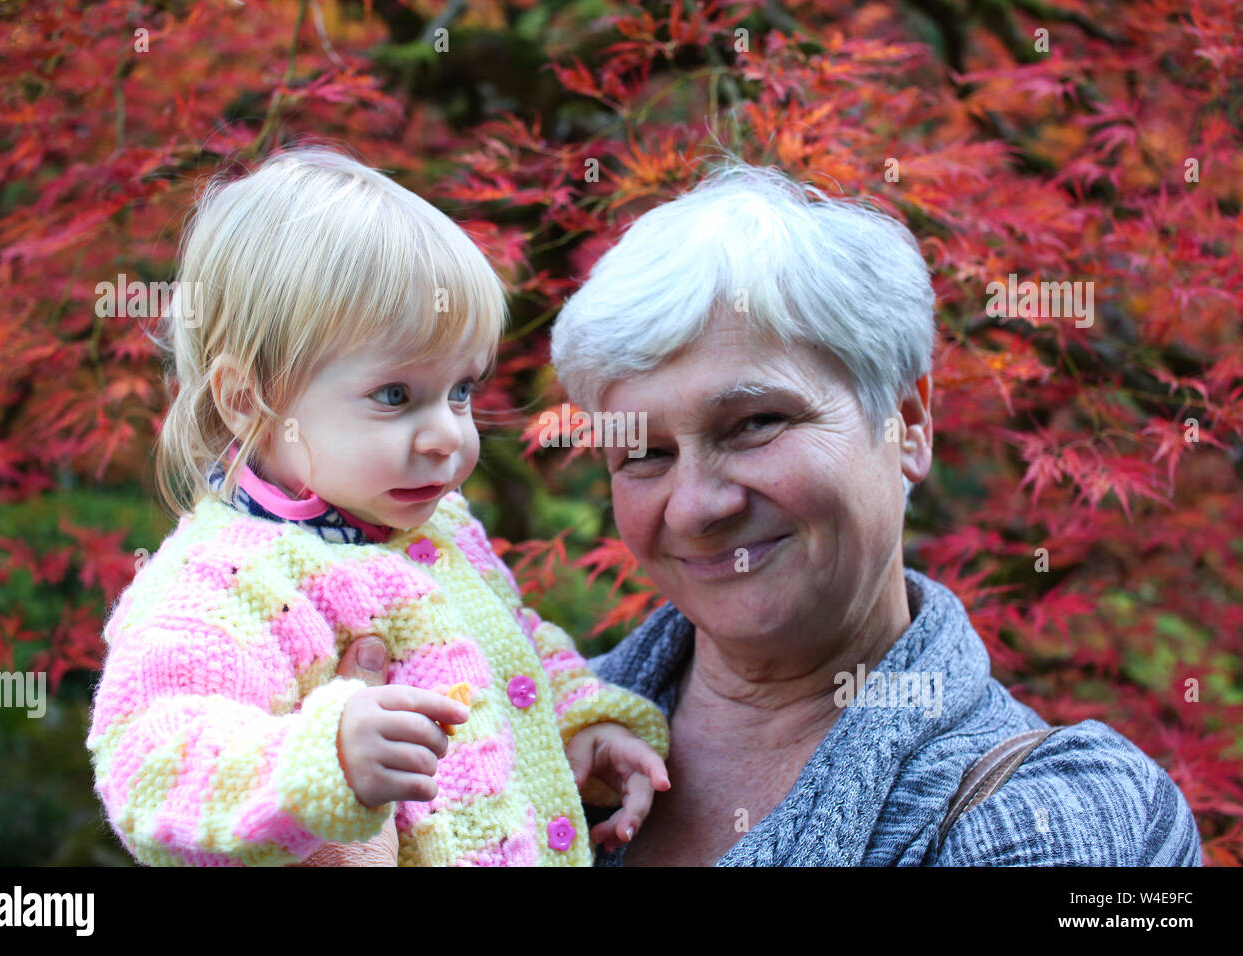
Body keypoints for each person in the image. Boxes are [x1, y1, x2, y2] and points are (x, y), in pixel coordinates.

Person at [548, 162, 1203, 866]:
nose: (698, 507)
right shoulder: (514, 734)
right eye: (644, 453)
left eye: (755, 422)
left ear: (909, 425)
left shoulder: (1067, 820)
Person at [85, 147, 670, 867]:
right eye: (395, 396)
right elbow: (149, 758)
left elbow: (509, 642)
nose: (447, 435)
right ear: (247, 401)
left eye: (461, 390)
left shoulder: (438, 528)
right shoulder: (229, 578)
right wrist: (323, 759)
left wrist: (579, 721)